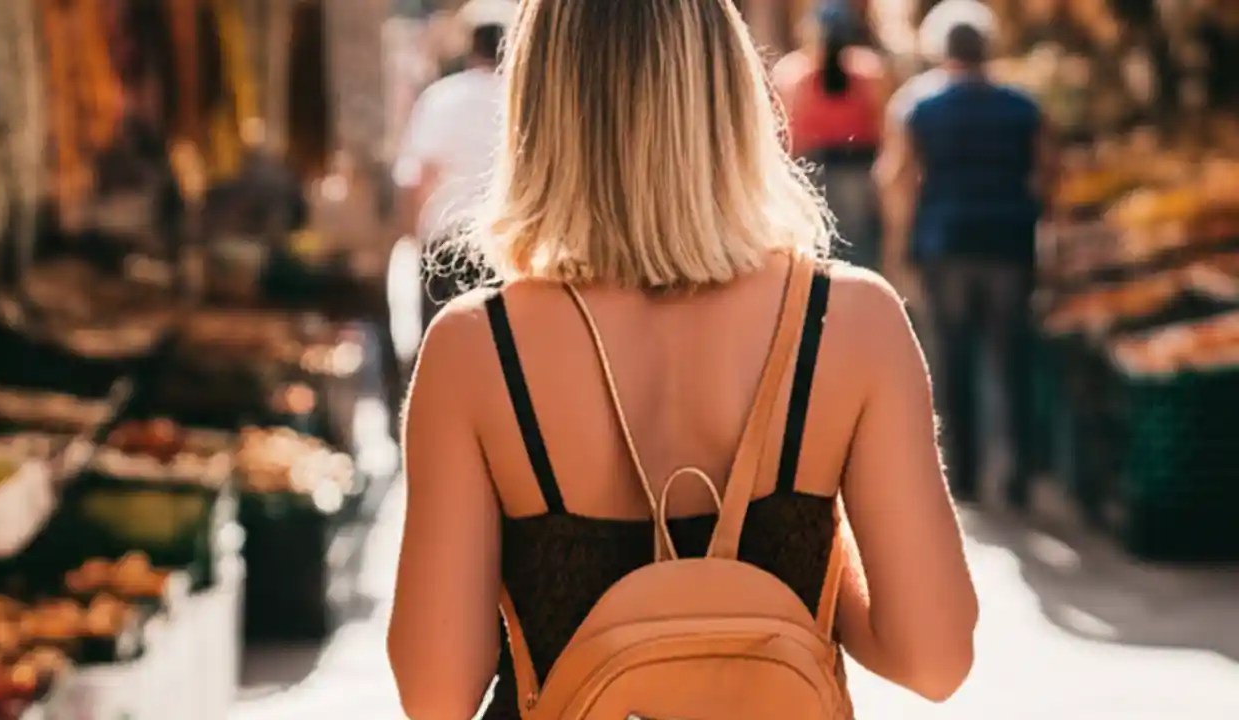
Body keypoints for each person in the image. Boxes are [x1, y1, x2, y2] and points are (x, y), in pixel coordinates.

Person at [389, 1, 977, 718]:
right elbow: (934, 659)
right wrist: (798, 543)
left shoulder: (476, 346)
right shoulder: (850, 322)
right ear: (733, 98)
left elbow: (435, 698)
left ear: (540, 110)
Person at [874, 0, 1055, 509]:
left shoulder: (917, 106)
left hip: (946, 243)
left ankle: (966, 477)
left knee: (953, 357)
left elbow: (898, 181)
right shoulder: (1022, 104)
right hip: (1009, 242)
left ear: (940, 48)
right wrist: (1048, 227)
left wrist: (896, 249)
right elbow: (1047, 172)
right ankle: (1018, 474)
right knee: (1012, 356)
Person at [392, 0, 514, 329]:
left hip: (447, 251)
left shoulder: (442, 97)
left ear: (471, 45)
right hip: (507, 249)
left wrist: (411, 238)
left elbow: (418, 177)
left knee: (442, 346)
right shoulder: (520, 100)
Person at [774, 2, 889, 269]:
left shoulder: (793, 73)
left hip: (813, 171)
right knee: (859, 246)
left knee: (818, 245)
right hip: (858, 170)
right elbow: (881, 125)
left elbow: (789, 132)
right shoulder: (870, 70)